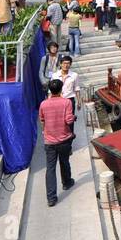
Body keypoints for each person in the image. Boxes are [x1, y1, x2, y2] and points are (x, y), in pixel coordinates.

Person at [38, 78, 75, 207]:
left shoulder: (43, 104)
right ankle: (67, 183)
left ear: (50, 90)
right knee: (64, 162)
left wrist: (45, 132)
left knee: (50, 168)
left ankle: (51, 198)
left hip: (49, 141)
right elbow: (69, 120)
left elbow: (42, 120)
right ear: (61, 90)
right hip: (64, 139)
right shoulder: (66, 103)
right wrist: (74, 117)